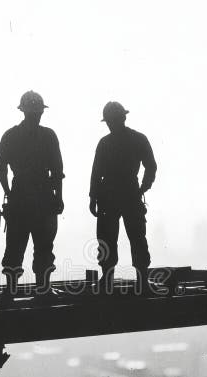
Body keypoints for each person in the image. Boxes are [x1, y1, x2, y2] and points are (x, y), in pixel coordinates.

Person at [0, 90, 65, 297]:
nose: (38, 114)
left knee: (17, 245)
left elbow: (0, 168)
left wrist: (9, 192)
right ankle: (42, 288)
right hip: (41, 196)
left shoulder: (11, 135)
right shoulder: (48, 136)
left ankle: (11, 289)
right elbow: (57, 171)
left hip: (22, 197)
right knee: (40, 245)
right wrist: (58, 197)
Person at [89, 101, 157, 294]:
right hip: (122, 194)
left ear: (121, 119)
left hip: (117, 194)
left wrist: (142, 188)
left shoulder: (109, 142)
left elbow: (151, 166)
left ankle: (135, 279)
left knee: (128, 237)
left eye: (112, 120)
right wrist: (93, 197)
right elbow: (96, 172)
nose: (111, 124)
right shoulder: (133, 139)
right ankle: (128, 279)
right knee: (117, 238)